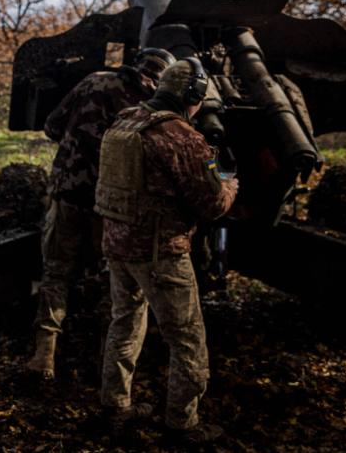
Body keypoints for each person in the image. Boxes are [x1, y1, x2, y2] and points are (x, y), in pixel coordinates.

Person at [95, 57, 238, 444]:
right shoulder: (181, 137)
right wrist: (229, 182)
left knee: (124, 324)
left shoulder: (126, 119)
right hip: (161, 253)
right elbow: (213, 205)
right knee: (188, 340)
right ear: (191, 96)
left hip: (117, 243)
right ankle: (182, 424)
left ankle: (116, 406)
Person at [25, 48, 174, 380]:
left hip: (67, 192)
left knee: (57, 272)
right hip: (109, 206)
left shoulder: (93, 81)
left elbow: (52, 126)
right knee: (113, 281)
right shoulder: (152, 107)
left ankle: (43, 356)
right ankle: (105, 364)